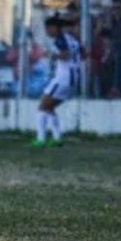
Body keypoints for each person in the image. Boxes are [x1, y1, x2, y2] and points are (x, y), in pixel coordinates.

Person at [32, 15, 81, 148]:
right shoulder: (72, 39)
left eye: (48, 29)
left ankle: (41, 140)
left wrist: (51, 55)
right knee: (49, 107)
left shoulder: (60, 39)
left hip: (63, 77)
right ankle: (57, 138)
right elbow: (83, 53)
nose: (47, 32)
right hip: (72, 77)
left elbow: (65, 55)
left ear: (54, 27)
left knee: (42, 107)